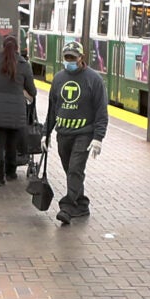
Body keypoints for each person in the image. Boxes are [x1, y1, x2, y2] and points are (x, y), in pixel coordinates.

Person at [44, 39, 108, 223]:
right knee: (70, 171)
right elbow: (52, 109)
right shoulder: (58, 79)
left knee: (74, 170)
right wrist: (45, 133)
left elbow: (101, 110)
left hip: (84, 134)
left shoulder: (94, 80)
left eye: (73, 57)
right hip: (63, 134)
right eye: (66, 57)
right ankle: (81, 204)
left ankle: (67, 207)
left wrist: (98, 137)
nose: (69, 60)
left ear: (81, 58)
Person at [0, 33, 36, 187]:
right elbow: (32, 90)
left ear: (2, 47)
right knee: (12, 143)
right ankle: (10, 172)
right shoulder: (24, 65)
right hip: (15, 111)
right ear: (17, 48)